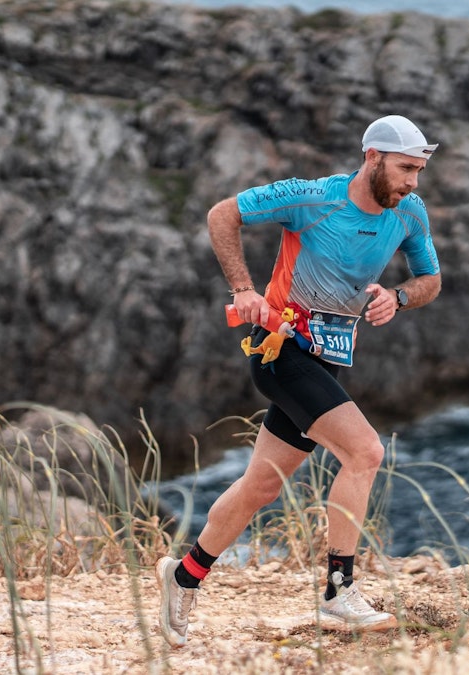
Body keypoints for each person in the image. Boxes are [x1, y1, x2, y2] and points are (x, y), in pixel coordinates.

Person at [156, 114, 442, 645]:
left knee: (261, 485)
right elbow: (222, 214)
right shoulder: (312, 198)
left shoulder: (409, 213)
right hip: (280, 349)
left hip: (328, 359)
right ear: (372, 157)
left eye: (418, 171)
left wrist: (398, 296)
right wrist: (243, 289)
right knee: (365, 452)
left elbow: (431, 278)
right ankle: (338, 590)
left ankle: (183, 575)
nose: (412, 181)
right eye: (405, 168)